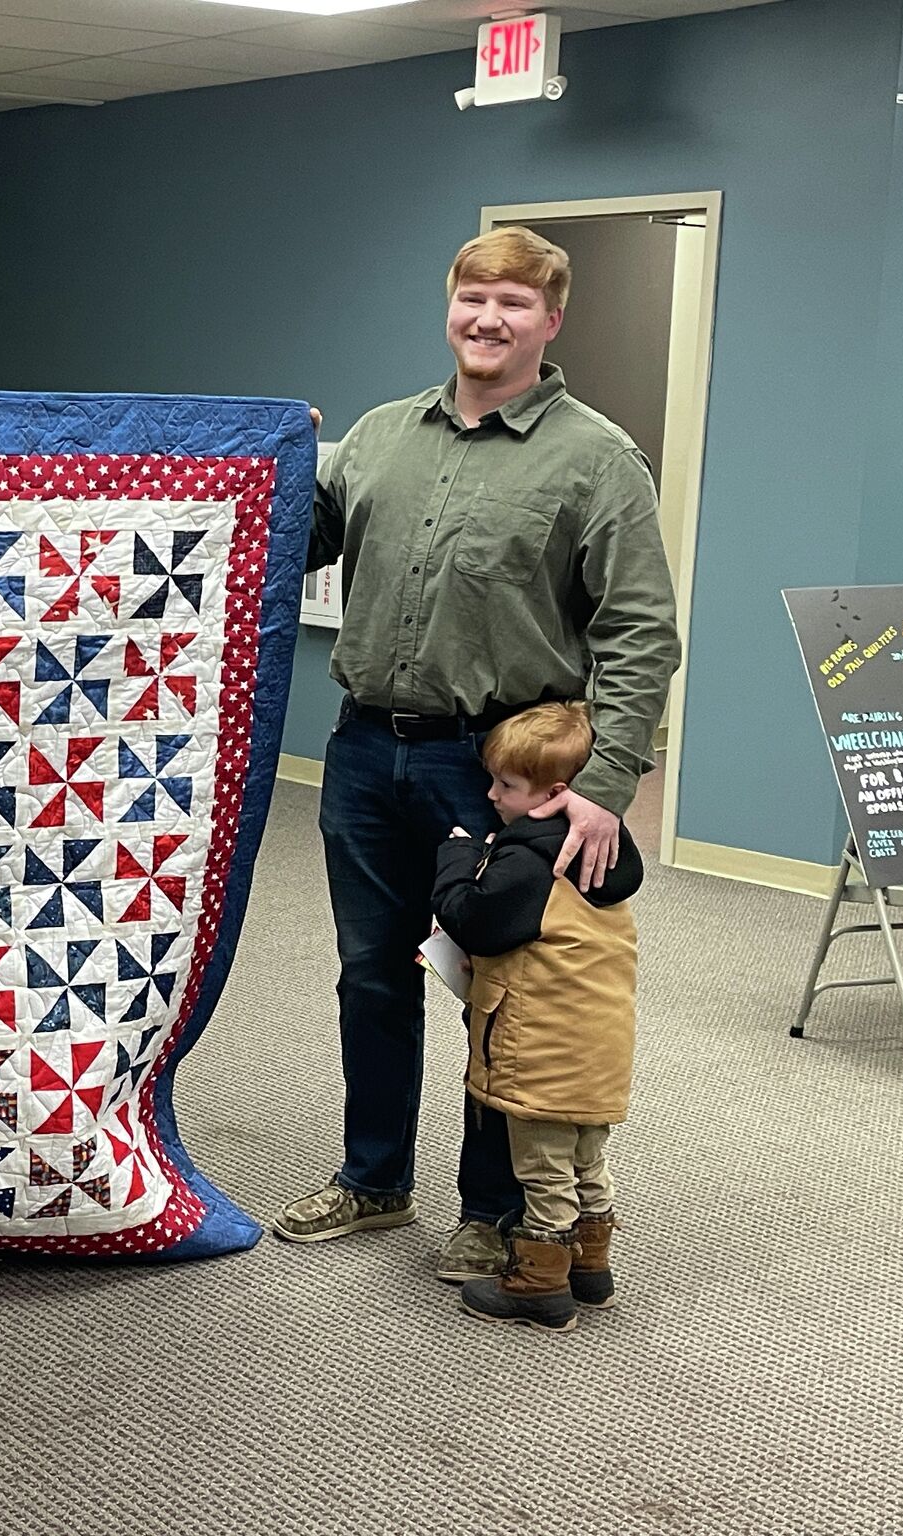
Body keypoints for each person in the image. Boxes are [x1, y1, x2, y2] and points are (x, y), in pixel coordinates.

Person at [272, 226, 679, 1283]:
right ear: (448, 306)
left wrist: (601, 785)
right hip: (365, 755)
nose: (486, 320)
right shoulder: (375, 437)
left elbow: (640, 633)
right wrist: (268, 451)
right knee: (371, 976)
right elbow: (287, 541)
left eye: (512, 304)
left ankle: (492, 1211)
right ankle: (370, 1183)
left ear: (550, 321)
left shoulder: (594, 458)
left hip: (500, 777)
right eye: (471, 299)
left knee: (498, 990)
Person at [430, 702, 637, 1332]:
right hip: (598, 1048)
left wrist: (457, 860)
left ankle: (539, 1282)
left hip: (539, 1049)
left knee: (542, 1168)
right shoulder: (606, 858)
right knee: (586, 1158)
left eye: (506, 786)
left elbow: (472, 922)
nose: (491, 795)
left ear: (555, 795)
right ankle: (590, 1267)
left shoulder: (528, 864)